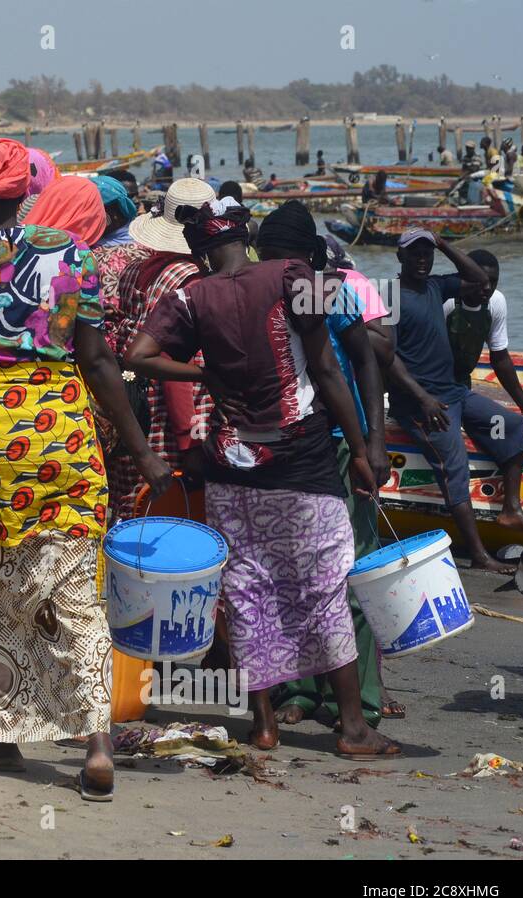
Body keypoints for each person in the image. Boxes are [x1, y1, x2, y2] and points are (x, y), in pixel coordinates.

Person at [0, 137, 171, 797]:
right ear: (24, 190)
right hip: (63, 429)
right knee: (74, 592)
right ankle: (95, 743)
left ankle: (3, 738)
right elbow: (97, 360)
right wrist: (143, 447)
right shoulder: (69, 256)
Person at [125, 197, 400, 758]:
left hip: (233, 463)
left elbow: (140, 354)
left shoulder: (189, 295)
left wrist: (202, 368)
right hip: (302, 456)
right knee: (323, 584)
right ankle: (352, 727)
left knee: (248, 589)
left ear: (199, 253)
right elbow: (327, 367)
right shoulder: (297, 274)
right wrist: (367, 447)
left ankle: (265, 725)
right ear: (245, 239)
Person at [256, 217, 393, 730]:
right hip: (287, 448)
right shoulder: (258, 296)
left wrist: (373, 442)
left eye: (277, 258)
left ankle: (359, 700)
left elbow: (368, 363)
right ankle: (302, 689)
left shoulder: (329, 295)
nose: (269, 268)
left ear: (306, 258)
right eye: (262, 256)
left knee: (350, 569)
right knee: (289, 572)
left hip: (340, 445)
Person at [382, 229, 523, 562]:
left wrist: (442, 243)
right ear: (400, 257)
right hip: (421, 404)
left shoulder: (436, 285)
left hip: (456, 393)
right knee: (454, 463)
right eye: (415, 254)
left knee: (510, 425)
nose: (422, 260)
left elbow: (477, 277)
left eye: (427, 253)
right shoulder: (390, 295)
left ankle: (510, 509)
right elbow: (387, 356)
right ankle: (478, 553)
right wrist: (423, 399)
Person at [106, 176, 216, 518]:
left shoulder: (137, 269)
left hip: (134, 415)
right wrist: (190, 442)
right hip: (169, 425)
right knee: (174, 525)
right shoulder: (190, 281)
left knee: (133, 518)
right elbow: (174, 368)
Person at [444, 249, 523, 418]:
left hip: (461, 385)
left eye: (493, 282)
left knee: (510, 425)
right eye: (481, 281)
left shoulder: (496, 302)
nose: (487, 288)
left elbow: (499, 358)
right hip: (432, 384)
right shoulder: (447, 301)